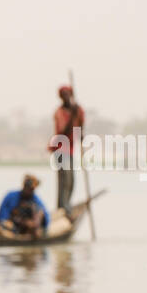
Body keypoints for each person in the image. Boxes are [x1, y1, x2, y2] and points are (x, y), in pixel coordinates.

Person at [48, 84, 85, 212]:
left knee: (71, 180)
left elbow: (80, 126)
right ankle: (62, 208)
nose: (66, 98)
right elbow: (63, 131)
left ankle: (66, 205)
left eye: (68, 94)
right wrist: (72, 116)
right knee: (65, 180)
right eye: (63, 95)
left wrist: (80, 133)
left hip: (69, 150)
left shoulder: (77, 110)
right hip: (59, 149)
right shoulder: (59, 113)